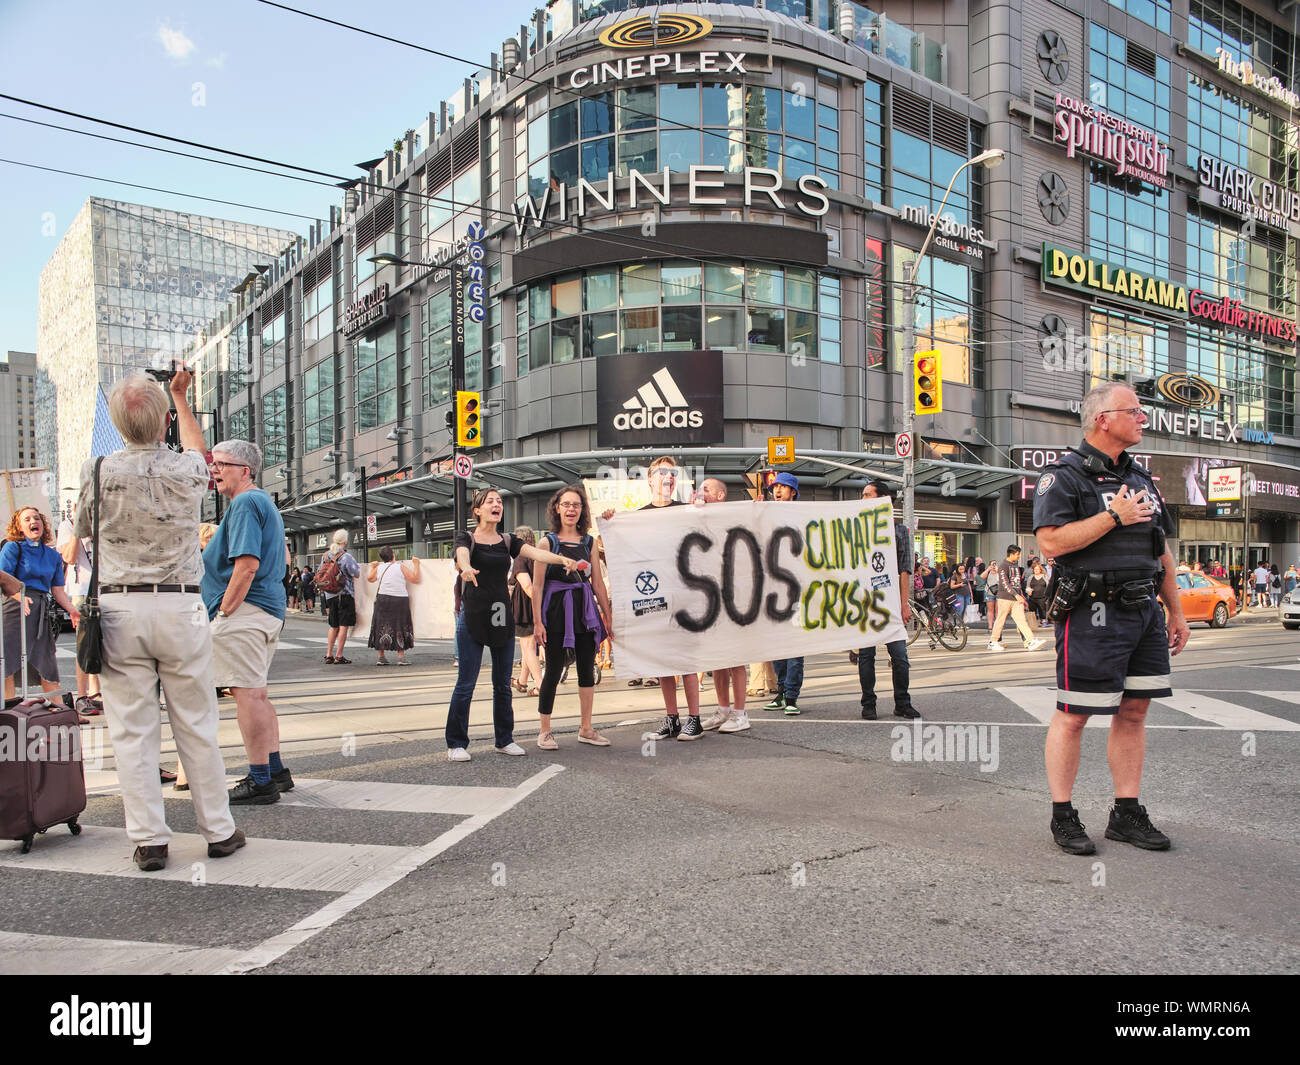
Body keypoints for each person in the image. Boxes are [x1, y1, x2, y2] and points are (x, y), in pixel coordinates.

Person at [73, 368, 243, 871]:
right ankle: (218, 829)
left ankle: (149, 839)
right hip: (180, 605)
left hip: (119, 607)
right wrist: (180, 397)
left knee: (132, 730)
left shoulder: (99, 469)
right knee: (197, 723)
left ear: (116, 422)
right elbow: (201, 451)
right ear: (165, 420)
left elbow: (81, 525)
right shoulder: (186, 469)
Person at [1034, 381, 1189, 857]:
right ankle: (1063, 815)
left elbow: (1160, 548)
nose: (1143, 419)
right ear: (1103, 419)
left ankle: (1126, 813)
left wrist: (1176, 609)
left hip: (1143, 611)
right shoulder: (1064, 477)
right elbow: (1052, 543)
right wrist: (1112, 518)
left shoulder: (1141, 479)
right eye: (1135, 411)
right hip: (1091, 611)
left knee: (1135, 710)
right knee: (1075, 715)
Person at [447, 487, 577, 761]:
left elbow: (535, 553)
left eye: (500, 501)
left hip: (500, 615)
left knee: (502, 685)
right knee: (466, 682)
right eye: (490, 501)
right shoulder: (467, 537)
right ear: (478, 510)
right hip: (472, 614)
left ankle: (504, 739)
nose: (497, 505)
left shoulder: (508, 540)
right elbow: (461, 555)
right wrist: (466, 568)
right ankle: (456, 743)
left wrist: (562, 558)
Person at [202, 438, 293, 806]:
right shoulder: (263, 503)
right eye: (213, 463)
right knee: (258, 694)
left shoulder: (243, 503)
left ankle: (260, 781)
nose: (214, 470)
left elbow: (246, 564)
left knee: (248, 695)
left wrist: (223, 612)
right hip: (264, 611)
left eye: (220, 464)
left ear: (244, 470)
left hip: (245, 613)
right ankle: (274, 771)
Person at [604, 456, 703, 738]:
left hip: (685, 597)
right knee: (663, 661)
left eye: (672, 474)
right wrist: (613, 524)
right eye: (662, 473)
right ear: (649, 480)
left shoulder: (686, 511)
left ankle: (694, 719)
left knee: (686, 660)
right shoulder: (638, 517)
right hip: (657, 598)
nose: (668, 478)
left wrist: (701, 512)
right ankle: (672, 718)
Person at [533, 485, 613, 750]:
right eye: (566, 504)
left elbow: (598, 584)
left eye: (576, 505)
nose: (571, 509)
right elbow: (537, 586)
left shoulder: (588, 542)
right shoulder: (547, 542)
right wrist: (537, 623)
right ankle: (545, 731)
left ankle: (586, 728)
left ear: (582, 510)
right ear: (557, 508)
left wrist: (607, 616)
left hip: (584, 611)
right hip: (555, 612)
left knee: (586, 669)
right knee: (553, 669)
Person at [689, 477, 751, 734]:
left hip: (735, 596)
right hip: (710, 596)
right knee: (718, 657)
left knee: (736, 656)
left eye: (706, 489)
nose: (700, 493)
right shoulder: (700, 517)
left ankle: (740, 712)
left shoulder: (734, 516)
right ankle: (723, 709)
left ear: (720, 495)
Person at [2, 506, 80, 701]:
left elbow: (58, 590)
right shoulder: (13, 547)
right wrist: (19, 596)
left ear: (43, 524)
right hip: (13, 608)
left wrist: (72, 610)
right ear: (19, 527)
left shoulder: (52, 555)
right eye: (26, 519)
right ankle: (9, 710)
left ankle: (58, 710)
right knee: (8, 662)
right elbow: (3, 578)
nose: (33, 522)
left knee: (47, 662)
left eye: (36, 518)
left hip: (39, 609)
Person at [857, 480, 919, 720]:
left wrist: (904, 604)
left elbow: (905, 570)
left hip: (891, 602)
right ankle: (868, 703)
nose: (863, 499)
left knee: (900, 657)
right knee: (866, 656)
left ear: (884, 499)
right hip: (865, 603)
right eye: (862, 495)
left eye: (867, 494)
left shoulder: (899, 531)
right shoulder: (859, 529)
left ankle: (902, 702)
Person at [764, 471, 806, 717]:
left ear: (793, 492)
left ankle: (791, 696)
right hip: (773, 591)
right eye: (775, 486)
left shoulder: (802, 516)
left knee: (795, 647)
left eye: (783, 486)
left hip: (798, 593)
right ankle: (780, 692)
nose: (777, 490)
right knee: (777, 645)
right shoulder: (769, 514)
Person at [56, 512, 102, 719]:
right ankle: (82, 695)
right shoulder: (67, 525)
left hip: (108, 587)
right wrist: (79, 526)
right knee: (85, 644)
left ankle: (97, 691)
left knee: (107, 643)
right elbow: (69, 557)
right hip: (82, 590)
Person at [987, 545, 1048, 652]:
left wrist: (1022, 597)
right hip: (1005, 598)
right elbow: (1004, 583)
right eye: (1017, 554)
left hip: (1016, 598)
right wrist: (1016, 595)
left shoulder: (1015, 565)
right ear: (1012, 554)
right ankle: (993, 641)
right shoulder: (1004, 566)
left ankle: (1030, 641)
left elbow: (1017, 583)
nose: (1019, 556)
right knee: (1000, 620)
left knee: (1021, 620)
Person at [367, 546, 419, 665]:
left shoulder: (379, 568)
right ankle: (400, 657)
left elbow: (370, 578)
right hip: (399, 599)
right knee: (400, 625)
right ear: (393, 555)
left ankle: (381, 657)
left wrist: (372, 567)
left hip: (382, 598)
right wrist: (416, 564)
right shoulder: (400, 567)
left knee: (381, 625)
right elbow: (415, 579)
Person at [510, 526, 545, 696]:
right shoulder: (537, 556)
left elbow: (527, 585)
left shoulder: (520, 557)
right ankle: (522, 681)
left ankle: (540, 685)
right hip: (536, 603)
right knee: (528, 645)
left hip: (526, 606)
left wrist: (537, 605)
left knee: (528, 647)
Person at [319, 529, 361, 663]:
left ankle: (328, 654)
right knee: (343, 626)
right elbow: (356, 573)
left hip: (330, 594)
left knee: (333, 625)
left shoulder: (325, 555)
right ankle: (339, 655)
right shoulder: (346, 556)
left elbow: (321, 572)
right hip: (344, 594)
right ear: (345, 541)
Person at [1026, 560, 1051, 624]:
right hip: (1032, 597)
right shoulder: (1031, 577)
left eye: (1037, 569)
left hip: (1042, 597)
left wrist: (1048, 595)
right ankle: (1033, 623)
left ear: (1040, 570)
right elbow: (1027, 586)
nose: (1036, 570)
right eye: (1035, 569)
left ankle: (1043, 621)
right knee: (1032, 611)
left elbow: (1048, 586)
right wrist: (1028, 590)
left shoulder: (1044, 576)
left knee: (1042, 610)